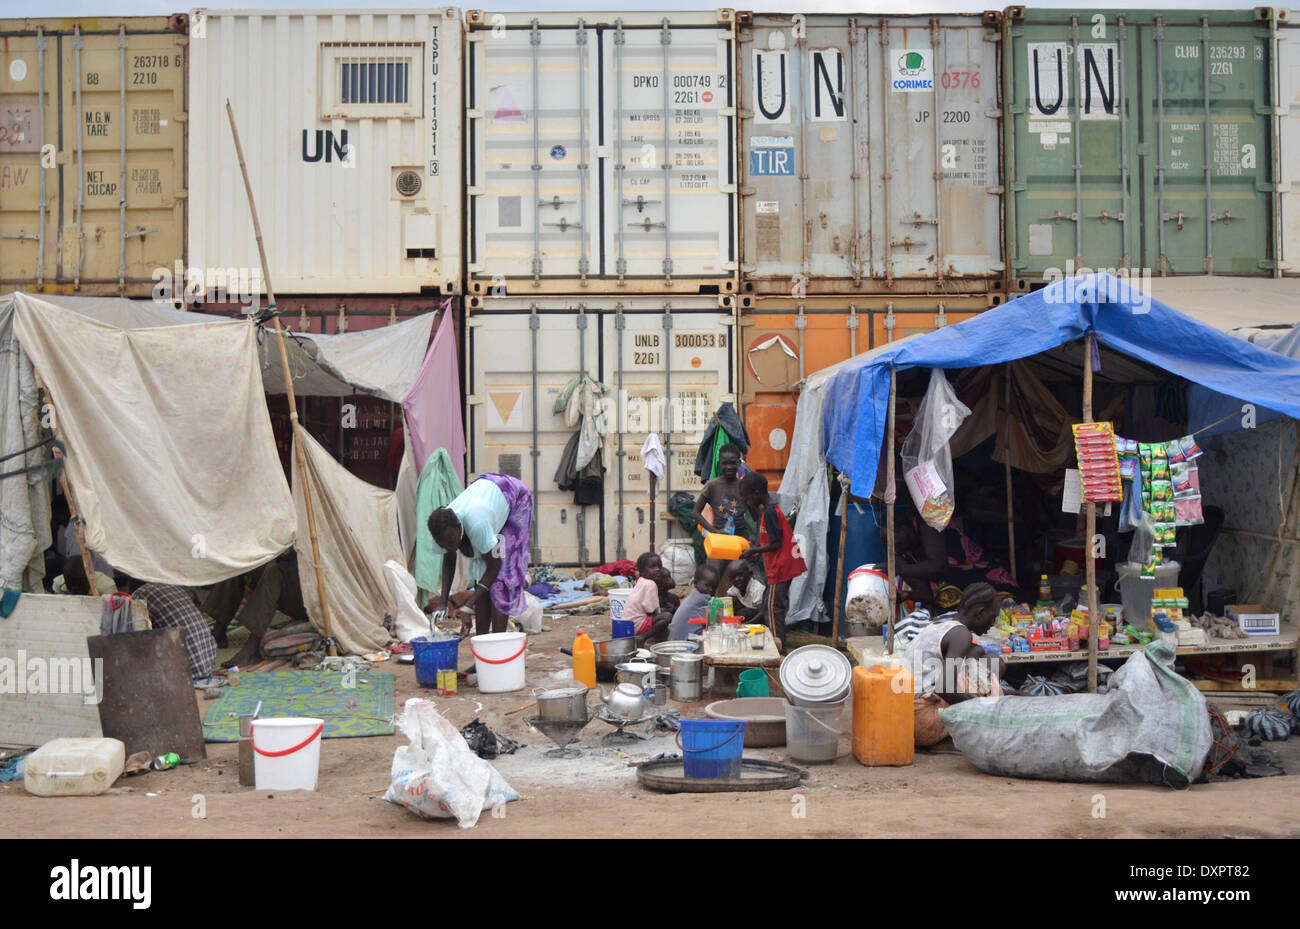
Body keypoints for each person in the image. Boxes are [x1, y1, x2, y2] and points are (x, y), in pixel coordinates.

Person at [430, 473, 533, 638]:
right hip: (486, 492)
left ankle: (496, 651)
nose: (449, 547)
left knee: (500, 582)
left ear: (459, 528)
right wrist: (443, 603)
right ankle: (483, 652)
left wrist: (468, 605)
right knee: (480, 576)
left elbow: (495, 566)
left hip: (514, 497)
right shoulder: (440, 529)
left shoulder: (477, 524)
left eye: (451, 541)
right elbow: (449, 559)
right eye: (444, 545)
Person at [904, 581, 1004, 747]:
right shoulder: (961, 634)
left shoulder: (940, 626)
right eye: (992, 617)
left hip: (902, 717)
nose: (992, 624)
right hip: (922, 720)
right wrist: (977, 711)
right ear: (980, 613)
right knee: (994, 661)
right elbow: (944, 687)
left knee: (977, 652)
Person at [739, 472, 806, 650]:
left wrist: (755, 550)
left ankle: (779, 647)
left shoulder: (770, 512)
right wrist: (757, 552)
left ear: (756, 493)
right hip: (776, 566)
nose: (747, 502)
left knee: (773, 607)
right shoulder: (766, 510)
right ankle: (774, 640)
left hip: (780, 567)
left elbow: (776, 543)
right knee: (769, 604)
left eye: (747, 498)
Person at [202, 557, 309, 668]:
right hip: (298, 582)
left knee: (275, 572)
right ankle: (219, 630)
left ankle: (252, 647)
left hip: (316, 598)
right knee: (239, 563)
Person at [126, 579, 219, 680]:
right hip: (209, 663)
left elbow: (137, 636)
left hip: (187, 671)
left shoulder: (139, 595)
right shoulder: (171, 585)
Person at [692, 443, 752, 543]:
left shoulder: (744, 486)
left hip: (741, 539)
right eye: (725, 463)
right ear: (719, 464)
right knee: (716, 559)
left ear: (739, 463)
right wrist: (714, 531)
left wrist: (757, 543)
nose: (729, 467)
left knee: (740, 559)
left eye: (733, 463)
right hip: (719, 541)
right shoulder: (712, 485)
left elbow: (758, 514)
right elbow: (695, 513)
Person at [623, 552, 673, 642]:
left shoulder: (641, 581)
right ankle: (642, 638)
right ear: (641, 570)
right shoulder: (650, 584)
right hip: (636, 625)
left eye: (659, 566)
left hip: (627, 625)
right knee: (667, 617)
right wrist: (664, 611)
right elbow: (650, 610)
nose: (657, 569)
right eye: (652, 567)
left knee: (662, 615)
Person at [668, 563, 719, 641]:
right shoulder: (702, 599)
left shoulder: (693, 596)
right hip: (685, 642)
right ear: (695, 583)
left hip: (674, 638)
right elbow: (713, 623)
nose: (711, 590)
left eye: (714, 587)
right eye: (707, 585)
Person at [723, 558, 765, 622]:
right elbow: (726, 602)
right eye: (733, 577)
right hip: (747, 613)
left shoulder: (756, 589)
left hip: (759, 617)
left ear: (750, 574)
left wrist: (746, 625)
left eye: (740, 575)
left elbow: (762, 613)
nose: (737, 579)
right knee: (730, 603)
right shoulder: (735, 589)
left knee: (745, 613)